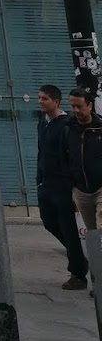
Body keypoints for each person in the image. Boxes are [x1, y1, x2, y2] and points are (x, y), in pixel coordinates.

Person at [36, 83, 89, 289]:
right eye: (40, 98)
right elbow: (41, 152)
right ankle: (80, 257)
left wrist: (73, 187)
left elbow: (72, 157)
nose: (40, 101)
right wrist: (39, 179)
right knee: (49, 222)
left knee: (68, 228)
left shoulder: (66, 125)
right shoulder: (43, 123)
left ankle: (78, 274)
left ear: (56, 102)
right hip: (46, 184)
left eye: (45, 98)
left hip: (63, 186)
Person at [65, 85, 102, 241]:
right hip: (81, 191)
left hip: (100, 188)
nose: (76, 110)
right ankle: (95, 258)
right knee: (92, 234)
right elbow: (64, 158)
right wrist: (72, 186)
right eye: (73, 106)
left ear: (90, 105)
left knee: (101, 229)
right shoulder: (68, 128)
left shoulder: (100, 128)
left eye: (79, 106)